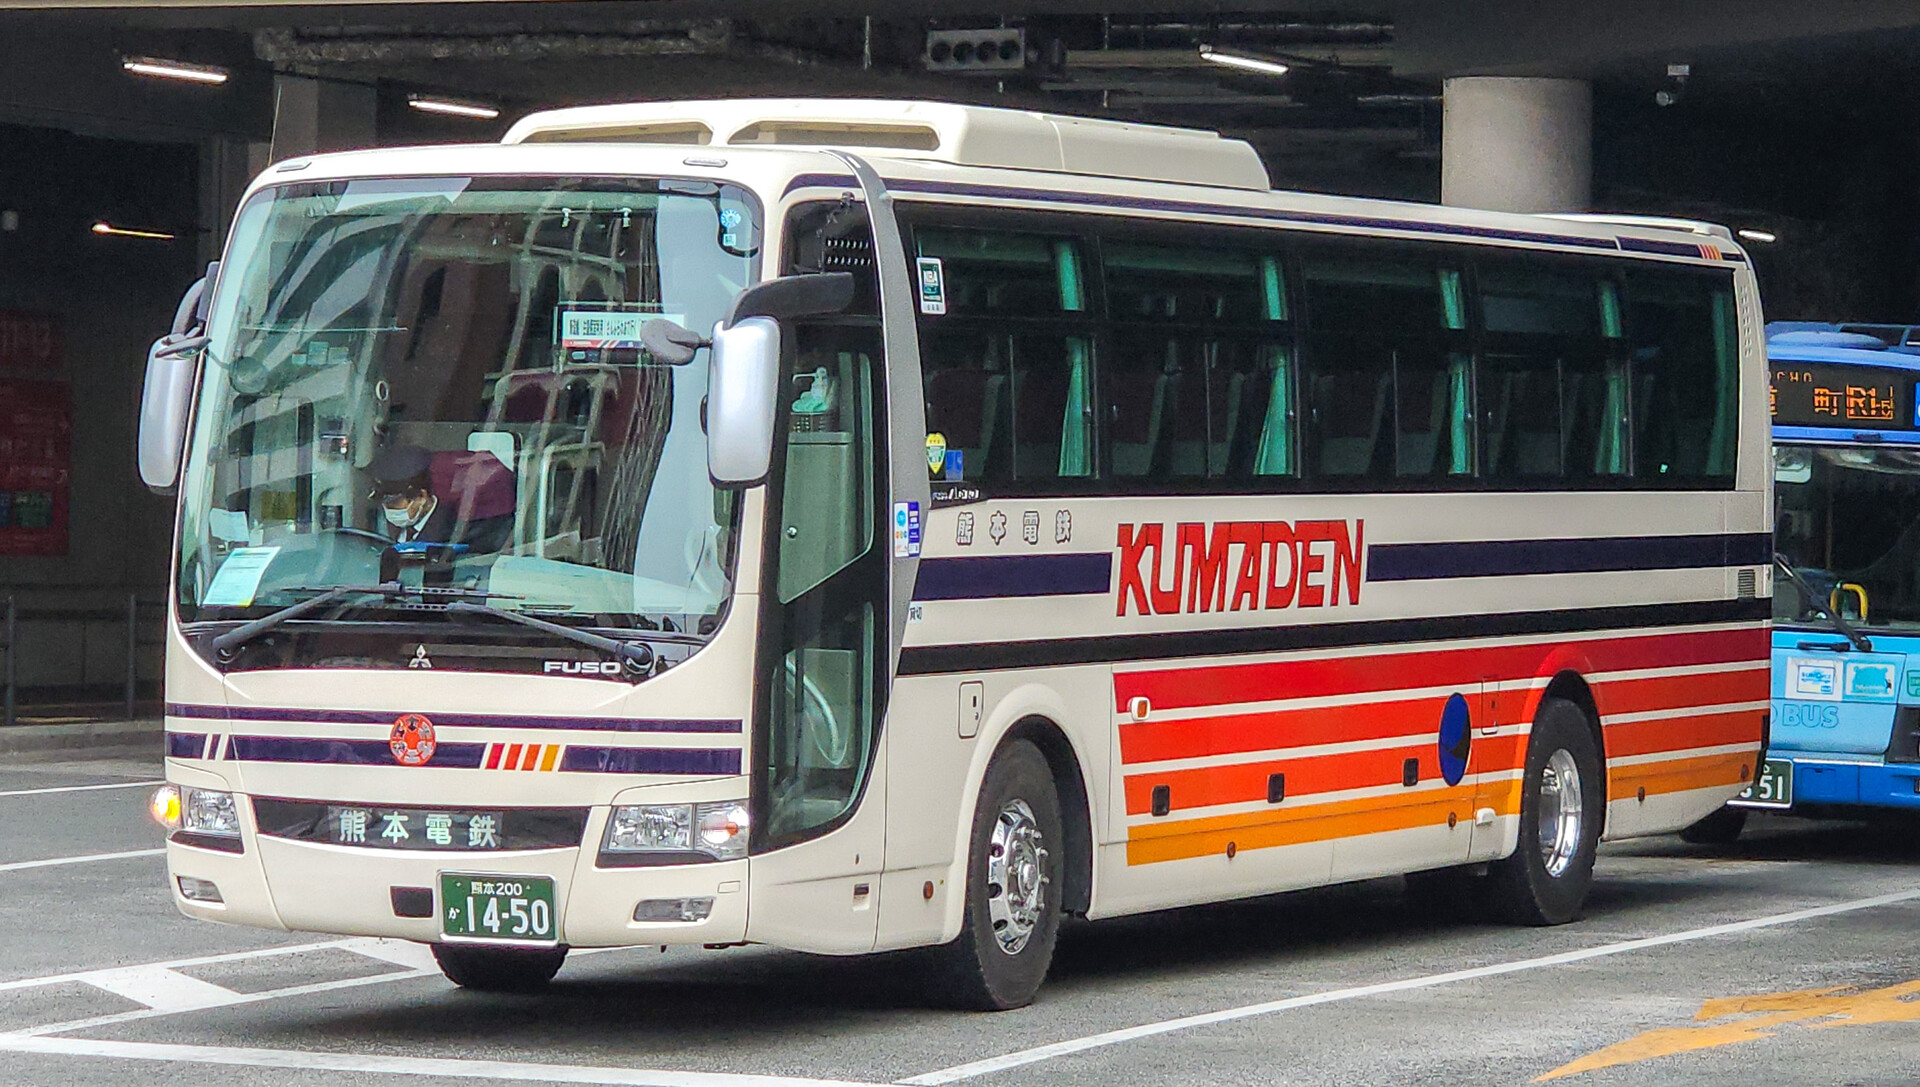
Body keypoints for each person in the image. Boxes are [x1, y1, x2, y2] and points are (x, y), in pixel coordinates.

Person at [368, 444, 513, 552]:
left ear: (421, 497)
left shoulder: (454, 533)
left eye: (394, 503)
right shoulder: (383, 528)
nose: (387, 510)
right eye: (384, 503)